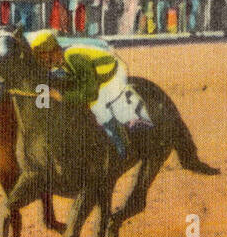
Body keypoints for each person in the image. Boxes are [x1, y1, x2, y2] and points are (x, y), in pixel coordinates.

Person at [26, 28, 150, 156]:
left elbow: (90, 93)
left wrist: (62, 96)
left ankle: (122, 146)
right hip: (95, 74)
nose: (44, 61)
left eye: (45, 56)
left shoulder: (73, 57)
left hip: (112, 73)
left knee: (98, 106)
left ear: (54, 51)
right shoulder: (61, 60)